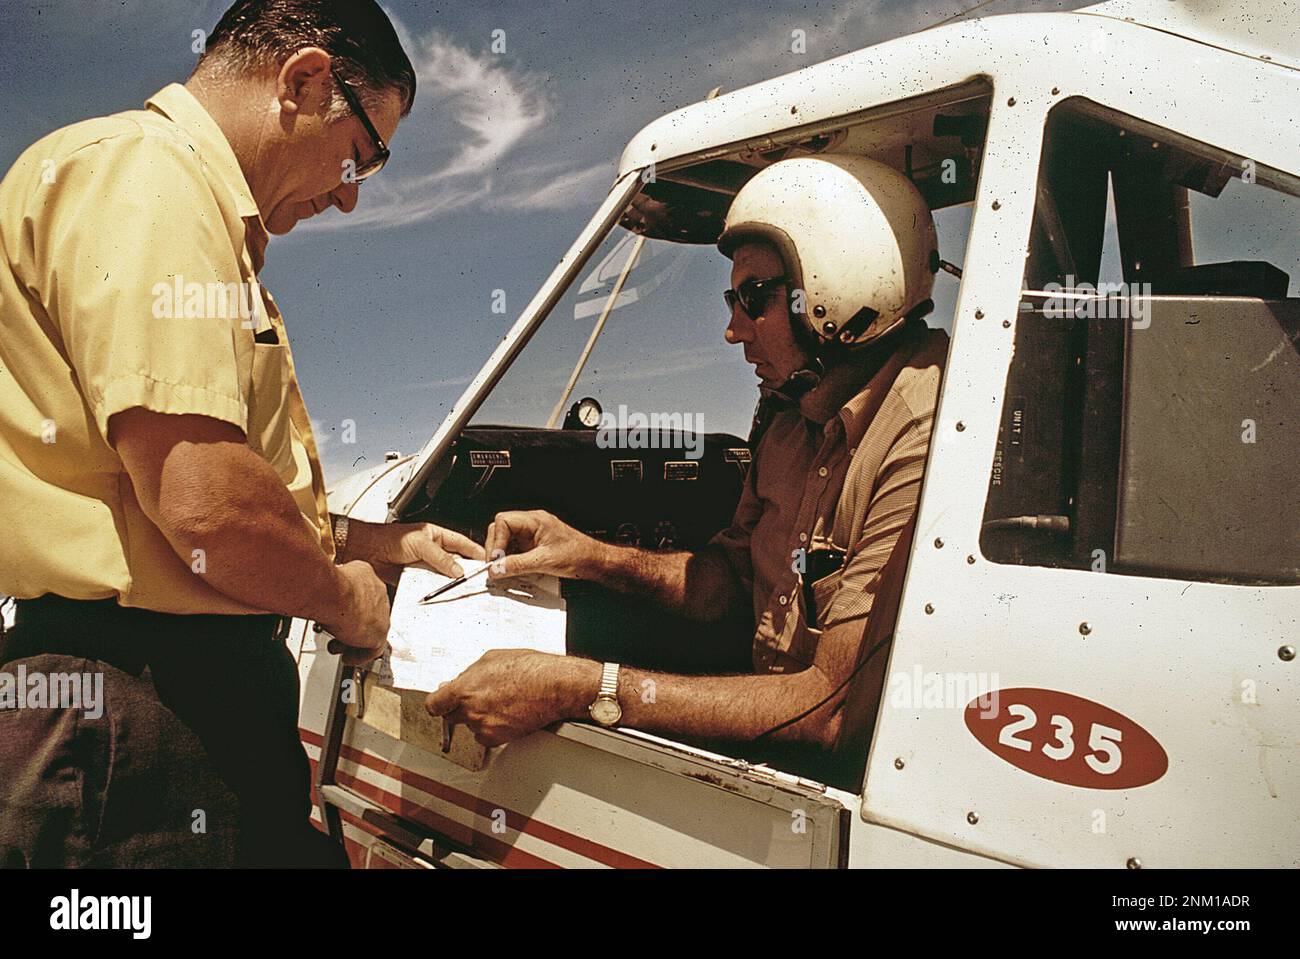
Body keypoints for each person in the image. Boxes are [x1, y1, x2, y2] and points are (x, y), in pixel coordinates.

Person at [0, 0, 480, 868]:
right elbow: (206, 507)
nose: (347, 193)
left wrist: (379, 540)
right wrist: (348, 599)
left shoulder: (169, 200)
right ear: (302, 82)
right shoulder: (152, 178)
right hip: (136, 729)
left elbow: (162, 496)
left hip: (149, 715)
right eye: (363, 154)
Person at [425, 155, 948, 753]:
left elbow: (831, 711)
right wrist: (591, 556)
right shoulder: (789, 419)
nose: (734, 331)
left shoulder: (924, 433)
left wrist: (589, 688)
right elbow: (727, 585)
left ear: (843, 284)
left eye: (754, 299)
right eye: (732, 303)